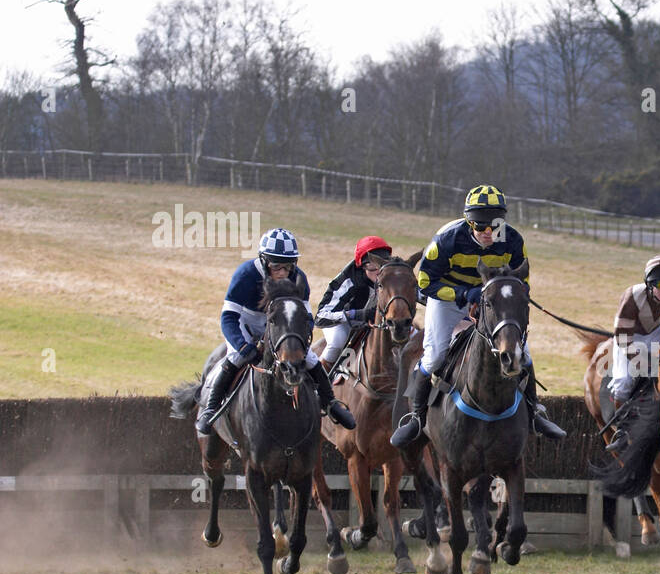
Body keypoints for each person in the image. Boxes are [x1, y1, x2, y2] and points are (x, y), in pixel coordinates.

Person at [390, 185, 565, 447]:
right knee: (436, 353)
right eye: (478, 226)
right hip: (448, 300)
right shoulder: (447, 240)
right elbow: (425, 283)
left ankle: (535, 413)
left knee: (521, 351)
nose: (486, 233)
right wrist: (464, 294)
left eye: (492, 227)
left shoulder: (514, 241)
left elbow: (521, 281)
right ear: (468, 221)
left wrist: (497, 298)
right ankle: (416, 416)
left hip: (490, 299)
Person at [196, 228, 356, 434]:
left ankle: (330, 403)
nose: (282, 272)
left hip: (281, 328)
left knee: (310, 360)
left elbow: (306, 318)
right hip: (246, 324)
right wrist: (243, 346)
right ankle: (211, 408)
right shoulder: (245, 274)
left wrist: (300, 343)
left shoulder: (299, 278)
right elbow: (228, 317)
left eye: (288, 266)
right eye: (276, 266)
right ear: (263, 261)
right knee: (235, 357)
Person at [605, 255, 660, 452]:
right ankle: (622, 431)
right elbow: (622, 338)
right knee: (624, 382)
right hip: (629, 337)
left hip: (657, 335)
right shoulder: (632, 297)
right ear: (649, 284)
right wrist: (642, 363)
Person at [315, 235, 392, 375]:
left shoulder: (392, 276)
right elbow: (321, 315)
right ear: (361, 267)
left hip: (373, 322)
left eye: (382, 265)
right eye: (372, 267)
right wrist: (355, 314)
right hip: (341, 322)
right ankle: (318, 381)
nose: (379, 272)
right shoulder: (348, 282)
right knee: (337, 342)